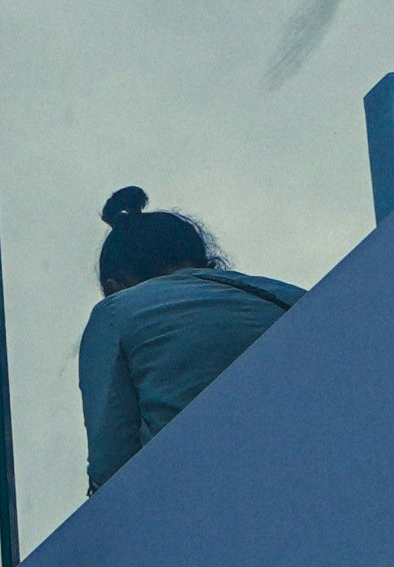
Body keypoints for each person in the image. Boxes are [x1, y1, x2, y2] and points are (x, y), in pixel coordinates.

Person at [78, 187, 300, 491]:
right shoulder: (288, 296)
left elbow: (112, 464)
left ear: (115, 286)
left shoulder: (116, 311)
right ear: (207, 261)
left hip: (208, 494)